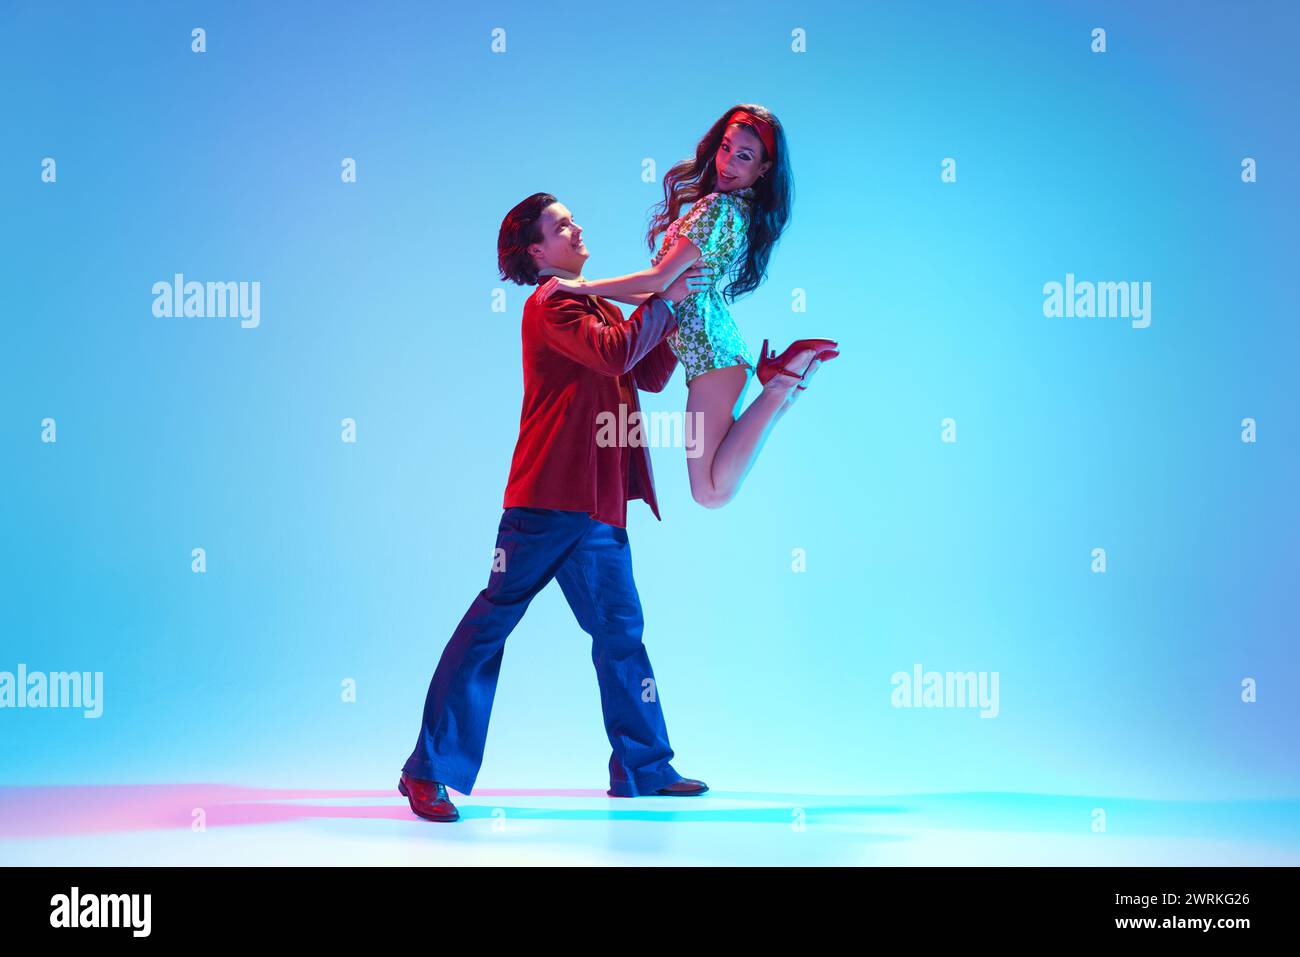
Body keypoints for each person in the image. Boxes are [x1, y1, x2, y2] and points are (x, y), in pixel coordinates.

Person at [397, 191, 712, 822]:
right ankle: (425, 770)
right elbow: (617, 351)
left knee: (620, 631)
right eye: (561, 226)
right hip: (545, 499)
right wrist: (664, 298)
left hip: (597, 501)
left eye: (573, 221)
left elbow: (641, 373)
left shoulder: (590, 302)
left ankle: (642, 766)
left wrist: (686, 310)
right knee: (492, 624)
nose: (576, 229)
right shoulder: (552, 303)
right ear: (537, 252)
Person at [538, 103, 839, 509]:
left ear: (763, 169)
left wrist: (580, 285)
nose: (729, 162)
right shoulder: (731, 209)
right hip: (713, 357)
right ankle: (782, 385)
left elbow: (659, 281)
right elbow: (660, 295)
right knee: (713, 489)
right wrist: (586, 292)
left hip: (713, 357)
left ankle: (781, 385)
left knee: (711, 492)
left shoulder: (716, 209)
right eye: (727, 147)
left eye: (745, 156)